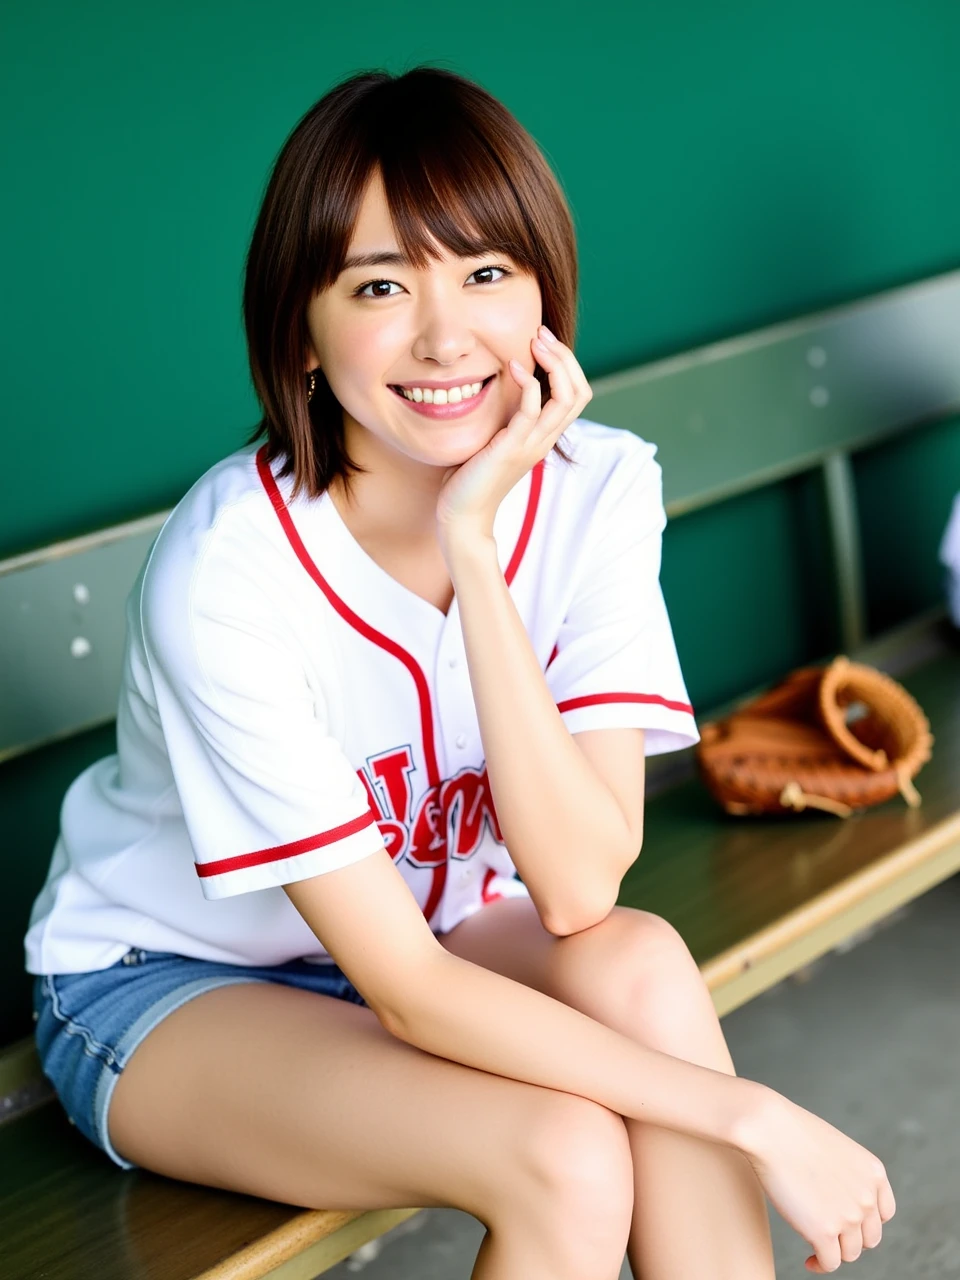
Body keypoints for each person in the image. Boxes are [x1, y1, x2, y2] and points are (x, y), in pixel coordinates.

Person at [25, 66, 895, 1279]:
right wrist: (752, 1112)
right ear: (302, 330)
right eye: (381, 285)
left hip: (436, 930)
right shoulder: (227, 568)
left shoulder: (598, 487)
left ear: (543, 294)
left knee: (641, 961)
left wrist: (473, 555)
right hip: (172, 983)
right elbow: (408, 991)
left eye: (486, 272)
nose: (445, 336)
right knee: (568, 1154)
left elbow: (580, 886)